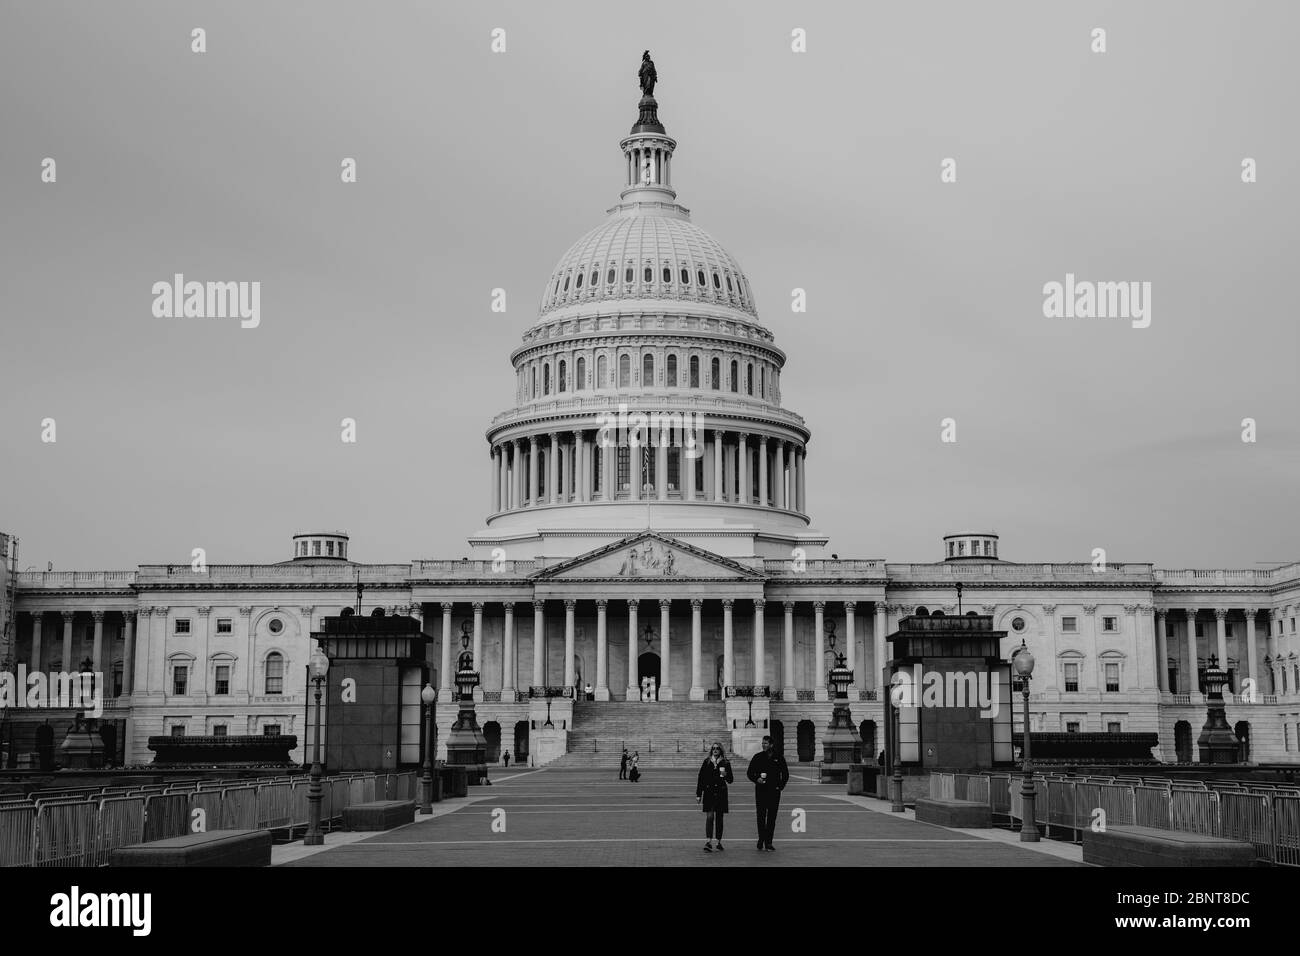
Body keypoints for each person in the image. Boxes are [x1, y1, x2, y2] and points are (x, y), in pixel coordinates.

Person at [746, 735, 789, 851]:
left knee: (771, 818)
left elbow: (785, 774)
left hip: (774, 792)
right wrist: (756, 779)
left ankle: (769, 841)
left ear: (771, 744)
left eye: (765, 743)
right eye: (762, 743)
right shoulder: (758, 757)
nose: (763, 745)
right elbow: (749, 772)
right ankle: (761, 839)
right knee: (760, 816)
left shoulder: (779, 757)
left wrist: (780, 786)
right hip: (761, 791)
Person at [696, 742, 734, 851]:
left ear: (721, 750)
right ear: (711, 750)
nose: (715, 750)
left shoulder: (726, 762)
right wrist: (699, 794)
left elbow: (731, 780)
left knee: (719, 818)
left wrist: (726, 775)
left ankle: (718, 841)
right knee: (710, 816)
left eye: (717, 748)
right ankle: (708, 841)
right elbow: (701, 778)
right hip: (709, 792)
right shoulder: (707, 762)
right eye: (713, 748)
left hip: (721, 793)